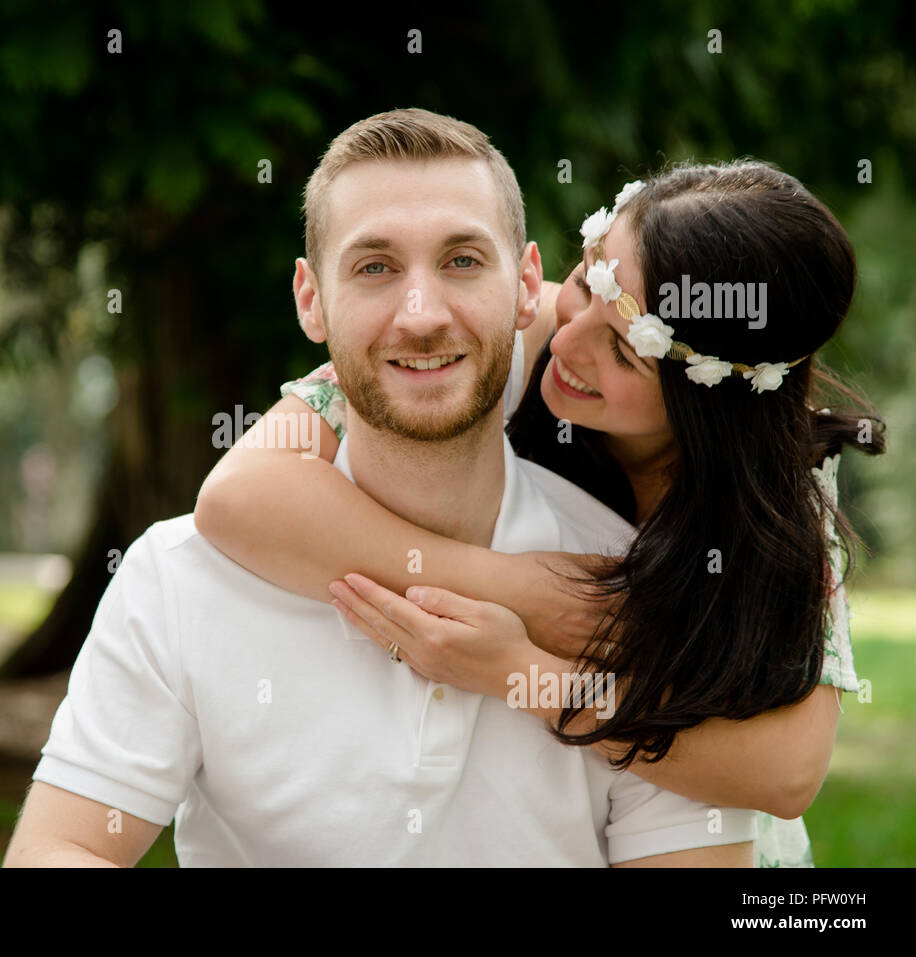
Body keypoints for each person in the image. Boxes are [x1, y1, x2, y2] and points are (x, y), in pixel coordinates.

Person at [4, 108, 759, 867]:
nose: (421, 315)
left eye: (463, 260)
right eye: (374, 267)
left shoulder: (630, 588)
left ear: (529, 285)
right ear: (310, 299)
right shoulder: (180, 575)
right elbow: (61, 847)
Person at [193, 137, 884, 867]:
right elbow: (241, 496)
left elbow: (784, 772)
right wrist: (526, 587)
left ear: (708, 401)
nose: (568, 340)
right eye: (586, 280)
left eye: (622, 351)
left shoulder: (787, 500)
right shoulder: (513, 331)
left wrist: (522, 671)